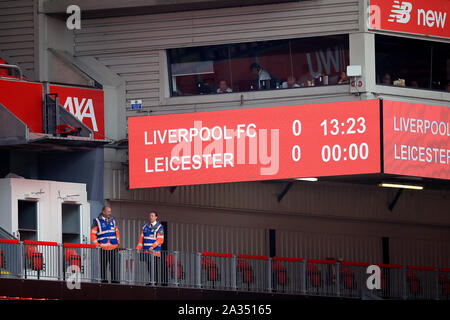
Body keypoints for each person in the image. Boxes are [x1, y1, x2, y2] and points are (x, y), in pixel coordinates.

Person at [90, 206, 120, 283]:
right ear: (103, 212)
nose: (110, 213)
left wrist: (118, 243)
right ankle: (104, 281)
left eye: (110, 211)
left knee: (114, 266)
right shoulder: (97, 221)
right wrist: (97, 245)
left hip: (113, 247)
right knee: (103, 266)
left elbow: (116, 232)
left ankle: (114, 280)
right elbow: (93, 234)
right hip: (103, 248)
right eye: (108, 211)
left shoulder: (113, 220)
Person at [136, 211, 165, 285]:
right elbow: (141, 238)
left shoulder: (159, 227)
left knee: (154, 267)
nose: (151, 217)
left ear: (156, 217)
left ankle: (155, 282)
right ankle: (151, 281)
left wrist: (153, 246)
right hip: (146, 251)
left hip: (155, 252)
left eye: (152, 216)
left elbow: (160, 239)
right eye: (150, 216)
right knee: (149, 267)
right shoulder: (145, 226)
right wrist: (138, 248)